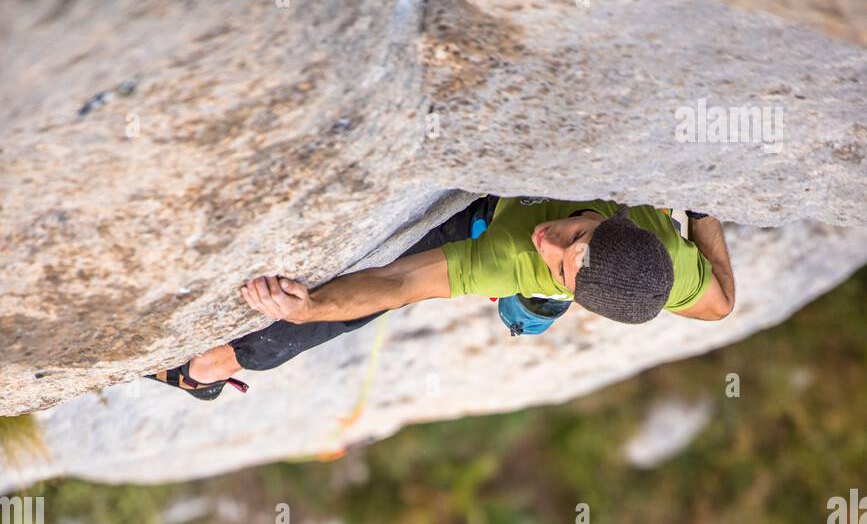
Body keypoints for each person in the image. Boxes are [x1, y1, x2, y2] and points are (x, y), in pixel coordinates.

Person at [149, 196, 736, 400]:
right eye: (575, 237)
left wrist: (309, 307)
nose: (549, 241)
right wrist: (703, 210)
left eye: (563, 268)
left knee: (351, 306)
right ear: (617, 222)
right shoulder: (671, 258)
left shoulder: (512, 257)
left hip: (488, 218)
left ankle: (208, 369)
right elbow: (723, 302)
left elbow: (402, 285)